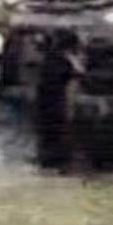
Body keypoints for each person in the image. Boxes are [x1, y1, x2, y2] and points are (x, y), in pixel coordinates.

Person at [36, 30, 84, 167]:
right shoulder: (62, 61)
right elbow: (76, 76)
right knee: (59, 142)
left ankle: (51, 163)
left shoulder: (50, 59)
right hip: (57, 108)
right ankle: (59, 164)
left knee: (49, 141)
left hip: (48, 108)